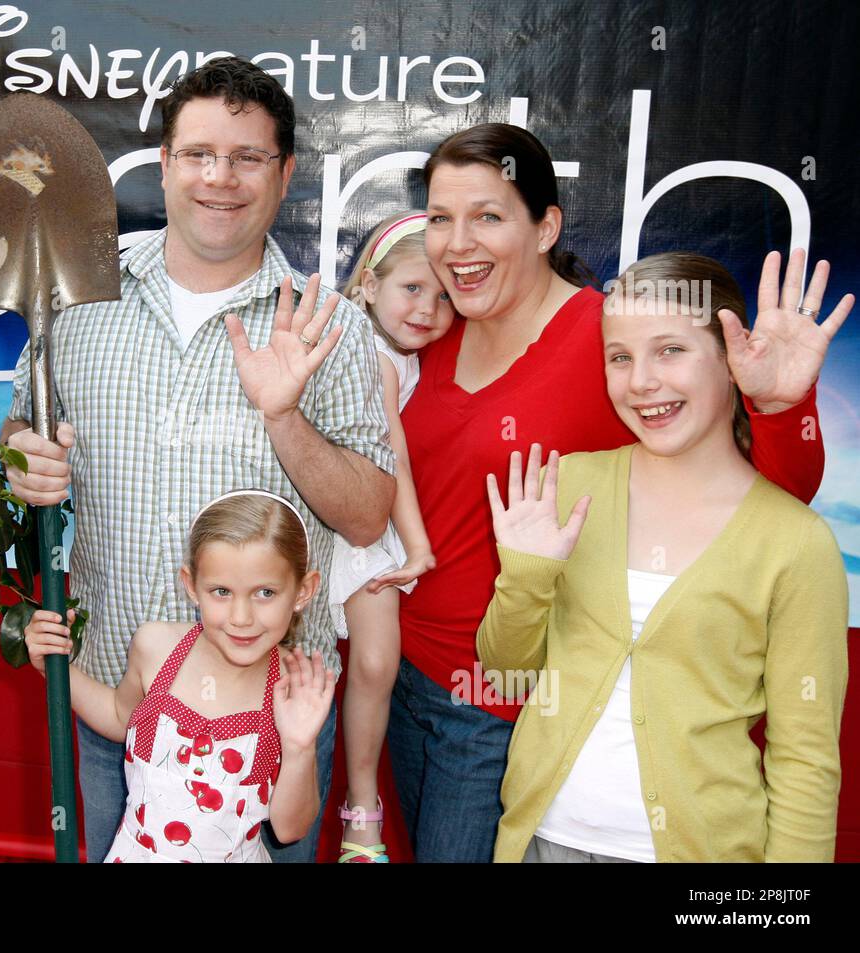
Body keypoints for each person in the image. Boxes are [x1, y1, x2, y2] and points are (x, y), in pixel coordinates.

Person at [391, 122, 846, 862]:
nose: (458, 241)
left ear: (546, 228)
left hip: (506, 711)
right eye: (441, 218)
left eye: (488, 215)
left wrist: (778, 406)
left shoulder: (607, 335)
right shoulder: (436, 328)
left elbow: (761, 511)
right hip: (411, 681)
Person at [0, 56, 395, 862]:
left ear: (285, 175)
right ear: (166, 165)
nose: (221, 178)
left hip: (272, 719)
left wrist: (283, 416)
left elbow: (366, 515)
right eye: (199, 155)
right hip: (119, 691)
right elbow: (21, 429)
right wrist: (22, 461)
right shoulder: (82, 296)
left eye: (248, 157)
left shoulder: (330, 327)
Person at [477, 252, 849, 862]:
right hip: (544, 842)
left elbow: (805, 759)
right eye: (620, 356)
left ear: (733, 357)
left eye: (670, 350)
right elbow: (503, 666)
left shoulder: (796, 542)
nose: (641, 381)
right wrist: (526, 577)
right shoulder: (566, 486)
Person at [24, 490, 337, 863]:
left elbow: (290, 829)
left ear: (303, 591)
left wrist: (300, 748)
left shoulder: (293, 687)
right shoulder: (155, 646)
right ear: (191, 585)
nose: (241, 616)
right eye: (221, 591)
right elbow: (120, 717)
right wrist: (55, 669)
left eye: (265, 593)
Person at [327, 211, 453, 862]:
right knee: (349, 667)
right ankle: (355, 810)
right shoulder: (369, 349)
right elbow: (392, 449)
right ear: (369, 285)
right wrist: (420, 543)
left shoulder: (406, 355)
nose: (428, 308)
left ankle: (361, 810)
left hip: (365, 525)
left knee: (375, 663)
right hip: (345, 520)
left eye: (444, 296)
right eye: (413, 288)